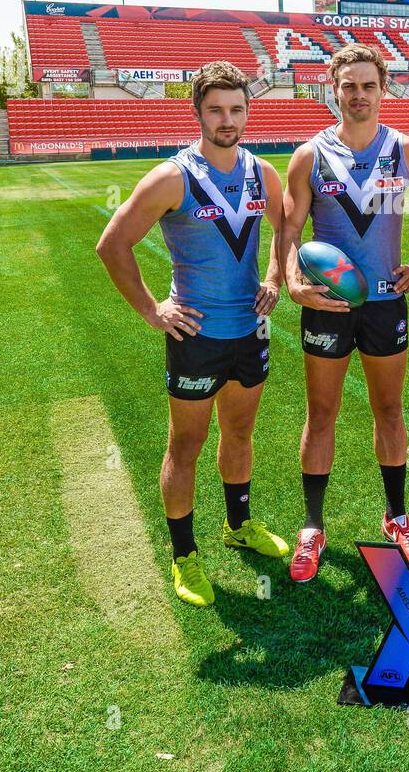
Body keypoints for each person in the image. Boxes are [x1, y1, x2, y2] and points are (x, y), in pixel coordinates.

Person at [95, 60, 288, 608]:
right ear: (198, 112)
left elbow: (286, 229)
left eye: (236, 109)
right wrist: (154, 310)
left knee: (241, 433)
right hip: (195, 336)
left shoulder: (262, 173)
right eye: (216, 110)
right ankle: (184, 555)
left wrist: (275, 276)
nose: (228, 120)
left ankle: (238, 524)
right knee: (187, 444)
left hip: (250, 331)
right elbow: (113, 244)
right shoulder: (172, 176)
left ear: (248, 111)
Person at [280, 44, 409, 582]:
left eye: (368, 85)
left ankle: (397, 516)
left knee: (389, 411)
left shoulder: (407, 149)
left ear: (383, 88)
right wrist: (292, 280)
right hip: (329, 306)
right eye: (348, 85)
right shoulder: (309, 155)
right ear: (334, 89)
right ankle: (312, 526)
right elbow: (288, 229)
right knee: (321, 414)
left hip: (384, 303)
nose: (358, 95)